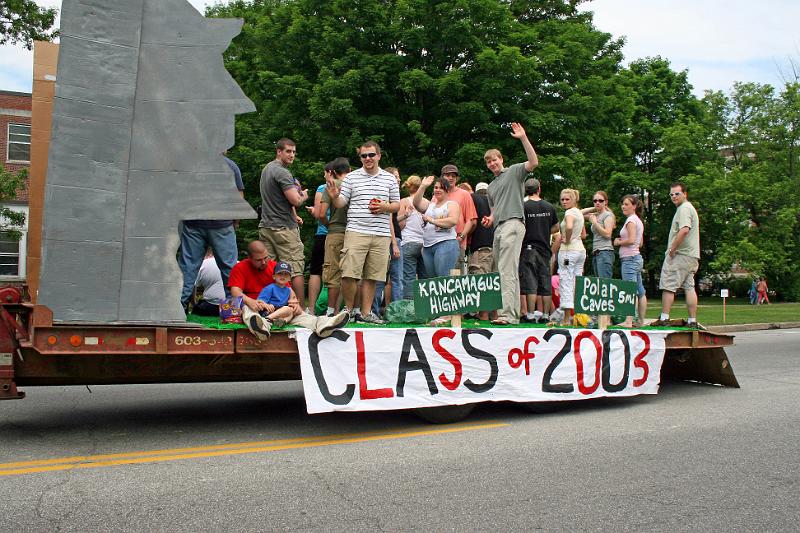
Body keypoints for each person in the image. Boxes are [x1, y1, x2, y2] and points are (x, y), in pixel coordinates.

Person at [325, 141, 401, 324]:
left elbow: (397, 205)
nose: (367, 159)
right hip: (356, 231)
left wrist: (384, 206)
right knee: (349, 273)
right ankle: (350, 310)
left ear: (379, 156)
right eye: (364, 156)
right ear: (360, 158)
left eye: (371, 155)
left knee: (372, 275)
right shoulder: (351, 178)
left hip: (381, 233)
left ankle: (365, 313)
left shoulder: (389, 179)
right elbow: (341, 203)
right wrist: (335, 196)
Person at [481, 122, 540, 325]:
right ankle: (509, 314)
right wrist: (490, 219)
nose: (492, 163)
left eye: (494, 159)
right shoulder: (491, 187)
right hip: (498, 228)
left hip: (514, 223)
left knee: (507, 269)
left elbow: (533, 162)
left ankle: (507, 315)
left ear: (501, 159)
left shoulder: (514, 172)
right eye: (488, 162)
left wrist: (523, 137)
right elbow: (494, 209)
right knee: (503, 271)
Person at [230, 242, 349, 340]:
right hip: (257, 306)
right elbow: (235, 291)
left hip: (279, 308)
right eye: (258, 260)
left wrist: (294, 303)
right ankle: (261, 327)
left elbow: (288, 289)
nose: (264, 262)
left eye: (266, 258)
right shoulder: (240, 267)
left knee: (299, 314)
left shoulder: (275, 267)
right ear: (249, 258)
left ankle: (323, 324)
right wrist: (250, 301)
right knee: (247, 310)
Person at [178, 153, 244, 313]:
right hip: (221, 224)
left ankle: (177, 309)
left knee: (188, 267)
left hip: (193, 223)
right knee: (230, 269)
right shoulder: (230, 166)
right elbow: (238, 196)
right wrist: (235, 220)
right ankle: (232, 313)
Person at [258, 138, 307, 310]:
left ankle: (267, 307)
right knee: (295, 268)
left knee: (268, 270)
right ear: (278, 151)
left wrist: (294, 215)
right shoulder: (283, 172)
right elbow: (295, 200)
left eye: (294, 152)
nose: (292, 155)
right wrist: (303, 196)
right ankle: (300, 310)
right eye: (288, 151)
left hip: (266, 226)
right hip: (284, 229)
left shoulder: (267, 169)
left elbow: (279, 200)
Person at [413, 175, 461, 325]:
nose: (437, 190)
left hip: (445, 244)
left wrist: (432, 220)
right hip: (428, 246)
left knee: (444, 278)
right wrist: (423, 186)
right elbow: (416, 203)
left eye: (441, 187)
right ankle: (440, 313)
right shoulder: (431, 204)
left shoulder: (452, 204)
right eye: (436, 187)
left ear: (447, 190)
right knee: (434, 281)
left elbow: (452, 220)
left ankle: (448, 314)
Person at [651, 182, 701, 328]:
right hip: (692, 256)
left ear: (685, 194)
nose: (674, 196)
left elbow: (684, 229)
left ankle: (665, 318)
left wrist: (672, 249)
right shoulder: (689, 208)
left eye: (677, 193)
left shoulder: (684, 209)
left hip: (680, 254)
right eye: (671, 194)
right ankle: (692, 321)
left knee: (668, 285)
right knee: (689, 287)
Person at [519, 178, 559, 324]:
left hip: (528, 248)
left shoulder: (523, 206)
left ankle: (530, 314)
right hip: (544, 248)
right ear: (539, 189)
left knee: (529, 281)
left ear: (526, 190)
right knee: (545, 281)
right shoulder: (549, 206)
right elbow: (556, 227)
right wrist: (544, 229)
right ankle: (545, 315)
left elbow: (519, 226)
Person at [318, 158, 351, 316]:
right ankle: (351, 311)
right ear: (350, 170)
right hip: (354, 233)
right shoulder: (354, 185)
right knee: (352, 274)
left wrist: (328, 224)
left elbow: (321, 213)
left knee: (333, 272)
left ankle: (331, 312)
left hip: (335, 232)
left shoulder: (330, 186)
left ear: (333, 172)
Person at [372, 167, 403, 315]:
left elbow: (394, 220)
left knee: (380, 278)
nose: (399, 179)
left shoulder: (388, 194)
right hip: (390, 239)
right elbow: (389, 221)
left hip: (386, 238)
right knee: (393, 278)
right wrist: (395, 243)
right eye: (396, 177)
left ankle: (376, 311)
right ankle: (396, 312)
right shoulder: (388, 195)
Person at [614, 194, 647, 327]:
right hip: (637, 258)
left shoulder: (631, 221)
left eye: (627, 204)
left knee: (629, 290)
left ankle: (628, 321)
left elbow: (632, 240)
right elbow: (640, 243)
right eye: (623, 204)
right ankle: (640, 320)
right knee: (640, 290)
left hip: (630, 260)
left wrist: (618, 242)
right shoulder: (638, 220)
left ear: (634, 206)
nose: (623, 206)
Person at [556, 188, 586, 326]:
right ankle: (578, 315)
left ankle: (567, 318)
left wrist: (567, 239)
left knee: (566, 281)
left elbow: (568, 227)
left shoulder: (569, 213)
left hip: (569, 250)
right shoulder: (579, 213)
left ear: (574, 200)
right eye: (562, 199)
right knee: (577, 282)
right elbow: (584, 235)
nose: (564, 202)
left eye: (567, 199)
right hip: (580, 250)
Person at [440, 164, 478, 273]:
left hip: (456, 243)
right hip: (438, 243)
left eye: (454, 176)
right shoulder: (437, 194)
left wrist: (461, 236)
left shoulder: (464, 194)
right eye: (448, 175)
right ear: (442, 177)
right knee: (440, 279)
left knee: (455, 278)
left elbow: (471, 220)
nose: (451, 178)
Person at [468, 182, 495, 320]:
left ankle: (483, 315)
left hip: (481, 246)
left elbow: (471, 221)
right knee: (495, 282)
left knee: (481, 281)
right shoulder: (496, 201)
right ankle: (495, 314)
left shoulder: (473, 198)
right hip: (497, 246)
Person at [397, 175, 427, 299]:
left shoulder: (404, 201)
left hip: (408, 242)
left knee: (408, 277)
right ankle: (425, 305)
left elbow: (401, 225)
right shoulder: (427, 202)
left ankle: (410, 306)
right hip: (424, 244)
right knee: (424, 277)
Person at [306, 180, 330, 315]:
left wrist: (313, 210)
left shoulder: (323, 187)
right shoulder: (349, 185)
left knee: (316, 271)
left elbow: (319, 214)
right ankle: (335, 310)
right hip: (343, 234)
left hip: (323, 233)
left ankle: (311, 309)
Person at [585, 190, 615, 279]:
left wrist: (595, 223)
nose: (597, 202)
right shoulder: (595, 215)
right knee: (599, 284)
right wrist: (594, 208)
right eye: (595, 201)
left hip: (605, 252)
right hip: (596, 252)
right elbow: (579, 213)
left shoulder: (608, 215)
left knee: (604, 284)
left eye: (600, 201)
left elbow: (608, 234)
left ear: (606, 202)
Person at [190, 250, 226, 316]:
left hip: (211, 307)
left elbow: (191, 286)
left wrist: (193, 303)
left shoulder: (203, 263)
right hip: (234, 307)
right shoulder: (234, 262)